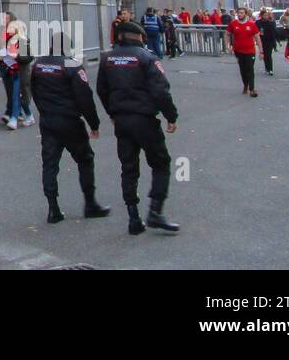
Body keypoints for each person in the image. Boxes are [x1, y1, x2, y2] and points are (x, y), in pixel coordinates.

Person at [96, 21, 180, 235]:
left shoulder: (107, 58)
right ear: (139, 37)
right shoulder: (146, 57)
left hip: (122, 121)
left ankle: (133, 218)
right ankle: (155, 211)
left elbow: (102, 90)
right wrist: (171, 116)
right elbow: (161, 91)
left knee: (129, 167)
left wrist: (112, 114)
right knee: (161, 163)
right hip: (144, 120)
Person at [31, 32, 110, 224]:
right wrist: (94, 123)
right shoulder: (72, 65)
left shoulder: (38, 64)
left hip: (48, 121)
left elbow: (33, 90)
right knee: (85, 159)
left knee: (50, 164)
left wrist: (44, 110)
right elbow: (85, 97)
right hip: (69, 121)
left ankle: (53, 209)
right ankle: (90, 204)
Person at [224, 4, 262, 98]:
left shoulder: (251, 24)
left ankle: (252, 89)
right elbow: (227, 34)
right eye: (239, 13)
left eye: (242, 13)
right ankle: (245, 85)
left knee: (250, 69)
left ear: (245, 14)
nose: (240, 14)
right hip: (238, 51)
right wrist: (227, 45)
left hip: (250, 51)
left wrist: (261, 51)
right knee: (243, 70)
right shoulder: (233, 24)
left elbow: (257, 38)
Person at [256, 8, 279, 76]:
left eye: (266, 15)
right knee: (265, 55)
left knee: (269, 55)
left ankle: (270, 69)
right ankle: (266, 68)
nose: (266, 16)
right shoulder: (258, 22)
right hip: (261, 41)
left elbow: (274, 32)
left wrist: (277, 41)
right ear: (261, 15)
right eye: (264, 15)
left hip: (269, 41)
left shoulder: (270, 23)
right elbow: (255, 31)